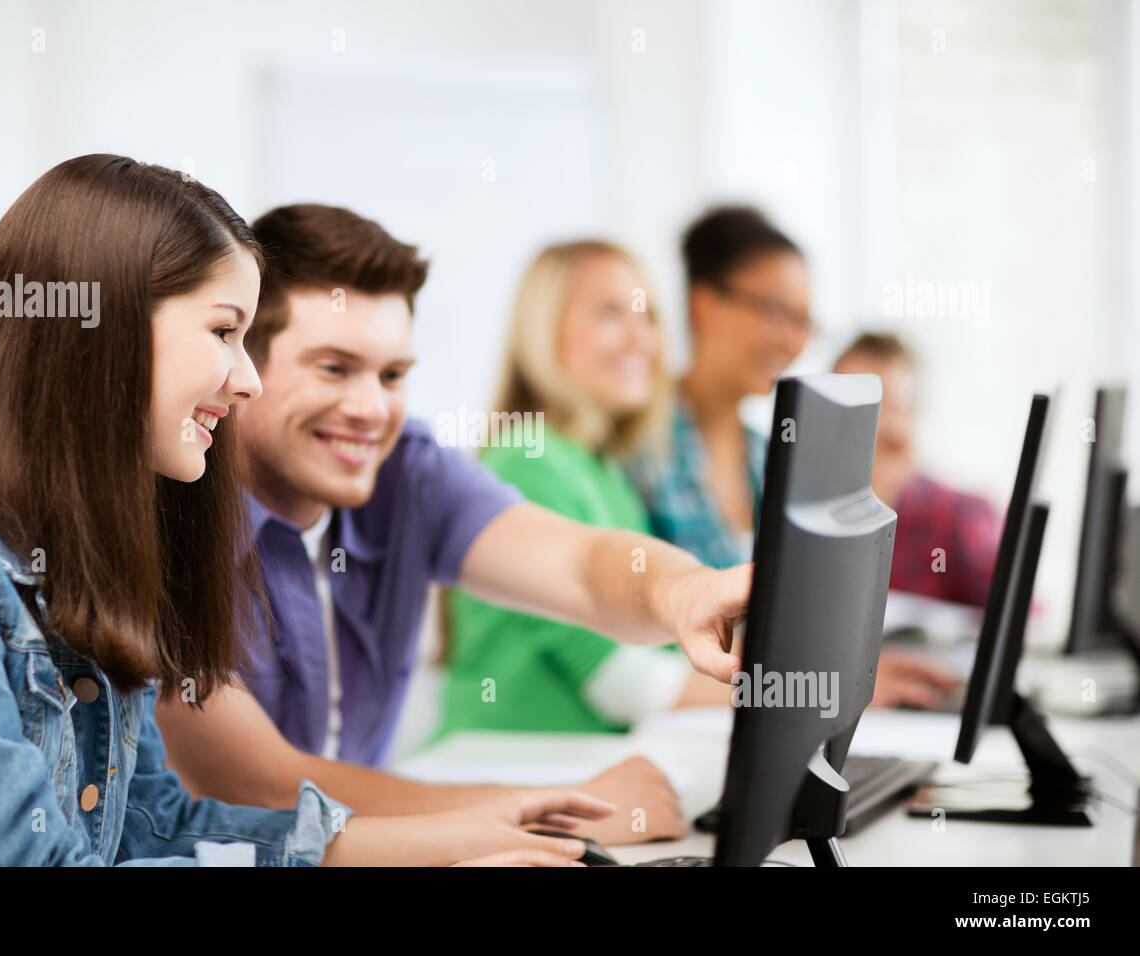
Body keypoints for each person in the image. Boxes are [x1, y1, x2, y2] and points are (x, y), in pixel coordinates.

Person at [0, 155, 613, 866]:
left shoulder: (95, 541)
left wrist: (450, 843)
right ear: (102, 333)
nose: (247, 381)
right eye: (223, 332)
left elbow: (153, 822)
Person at [155, 205, 755, 846]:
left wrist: (685, 591)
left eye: (392, 376)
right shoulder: (168, 522)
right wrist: (550, 809)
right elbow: (260, 787)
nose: (369, 409)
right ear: (245, 367)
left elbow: (581, 566)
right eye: (333, 368)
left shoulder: (408, 472)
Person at [627, 206, 960, 710]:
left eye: (804, 322)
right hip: (686, 724)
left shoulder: (768, 455)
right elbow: (637, 655)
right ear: (703, 305)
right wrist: (820, 688)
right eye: (775, 311)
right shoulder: (637, 449)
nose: (792, 340)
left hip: (757, 721)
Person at [437, 241, 747, 738]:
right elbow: (621, 682)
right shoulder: (528, 458)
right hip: (499, 770)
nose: (640, 340)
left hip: (571, 771)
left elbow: (663, 651)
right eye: (610, 315)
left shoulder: (603, 469)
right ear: (543, 332)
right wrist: (791, 691)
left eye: (649, 318)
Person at [833, 332, 1000, 607]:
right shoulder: (805, 515)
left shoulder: (962, 515)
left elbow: (1021, 621)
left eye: (892, 408)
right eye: (853, 406)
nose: (873, 426)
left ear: (913, 416)